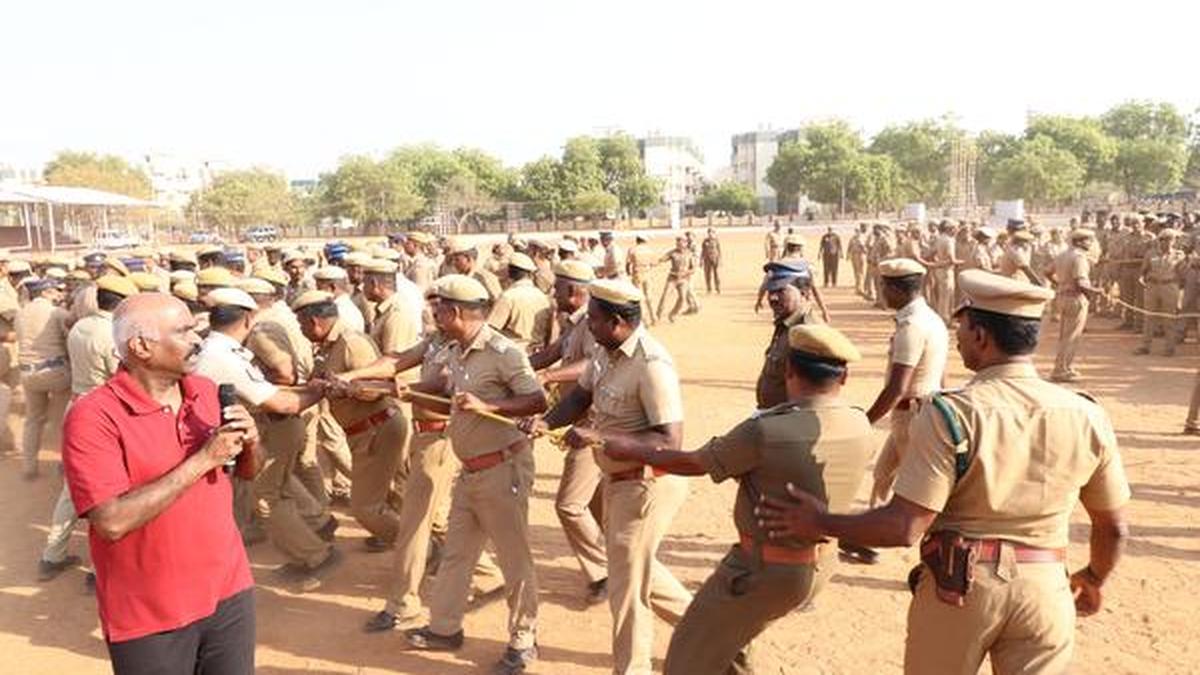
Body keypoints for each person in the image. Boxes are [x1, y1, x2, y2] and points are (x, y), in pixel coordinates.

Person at [757, 269, 1131, 675]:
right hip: (1047, 588)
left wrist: (820, 520)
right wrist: (1094, 577)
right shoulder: (1088, 413)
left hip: (962, 590)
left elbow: (903, 527)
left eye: (965, 327)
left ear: (982, 337)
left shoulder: (952, 414)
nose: (958, 336)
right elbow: (1113, 528)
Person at [603, 324, 873, 674]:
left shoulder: (767, 431)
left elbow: (694, 462)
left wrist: (630, 448)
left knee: (687, 655)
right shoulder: (859, 422)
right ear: (845, 377)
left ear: (789, 370)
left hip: (761, 570)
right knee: (732, 645)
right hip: (819, 565)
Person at [61, 293, 260, 674]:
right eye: (184, 331)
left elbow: (248, 472)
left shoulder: (204, 391)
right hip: (150, 612)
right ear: (140, 346)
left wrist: (251, 442)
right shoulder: (93, 416)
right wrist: (203, 459)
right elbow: (112, 521)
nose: (197, 339)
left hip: (228, 591)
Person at [524, 278, 693, 675]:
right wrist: (544, 421)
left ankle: (632, 669)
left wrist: (598, 435)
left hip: (647, 482)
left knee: (627, 588)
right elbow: (580, 398)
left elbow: (670, 440)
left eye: (595, 321)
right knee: (637, 572)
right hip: (616, 482)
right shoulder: (604, 353)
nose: (588, 328)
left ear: (618, 322)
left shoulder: (652, 364)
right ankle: (714, 630)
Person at [404, 275, 546, 675]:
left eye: (439, 308)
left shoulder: (504, 352)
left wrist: (490, 405)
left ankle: (523, 639)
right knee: (457, 553)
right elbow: (446, 386)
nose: (434, 312)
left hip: (503, 469)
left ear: (456, 312)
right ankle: (444, 627)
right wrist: (406, 390)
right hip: (470, 472)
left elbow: (535, 400)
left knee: (515, 558)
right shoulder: (455, 349)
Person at [193, 288, 337, 591]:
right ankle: (314, 538)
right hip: (270, 422)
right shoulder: (225, 355)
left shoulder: (215, 351)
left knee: (267, 497)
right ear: (247, 319)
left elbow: (279, 397)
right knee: (275, 491)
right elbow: (279, 400)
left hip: (273, 425)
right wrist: (318, 391)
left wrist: (311, 390)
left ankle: (313, 554)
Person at [38, 274, 138, 583]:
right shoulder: (112, 334)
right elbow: (123, 376)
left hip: (78, 404)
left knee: (73, 490)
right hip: (104, 412)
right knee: (112, 492)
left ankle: (52, 554)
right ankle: (99, 569)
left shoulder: (80, 325)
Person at [295, 291, 407, 552]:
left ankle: (423, 550)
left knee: (365, 508)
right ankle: (412, 540)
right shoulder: (329, 345)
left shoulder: (351, 342)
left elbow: (379, 386)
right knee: (392, 497)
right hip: (364, 431)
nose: (301, 331)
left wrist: (344, 388)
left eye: (302, 325)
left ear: (314, 322)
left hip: (377, 428)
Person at [528, 260, 609, 602]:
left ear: (575, 292)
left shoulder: (593, 325)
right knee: (598, 506)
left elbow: (591, 365)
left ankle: (604, 573)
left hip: (593, 426)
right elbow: (553, 353)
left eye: (558, 287)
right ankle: (619, 561)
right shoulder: (576, 323)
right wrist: (516, 366)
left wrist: (547, 377)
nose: (553, 292)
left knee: (570, 505)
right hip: (581, 422)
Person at [864, 259, 948, 512]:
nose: (882, 291)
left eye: (884, 286)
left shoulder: (912, 327)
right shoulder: (932, 318)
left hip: (910, 414)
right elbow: (940, 373)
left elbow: (897, 387)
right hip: (920, 410)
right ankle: (870, 537)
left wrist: (865, 421)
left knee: (917, 489)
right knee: (882, 473)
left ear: (897, 289)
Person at [16, 277, 71, 480]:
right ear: (46, 292)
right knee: (62, 421)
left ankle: (29, 466)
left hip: (28, 372)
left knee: (33, 420)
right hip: (55, 371)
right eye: (55, 290)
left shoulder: (21, 312)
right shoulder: (56, 312)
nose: (58, 293)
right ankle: (64, 464)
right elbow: (69, 339)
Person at [755, 260, 822, 410]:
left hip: (789, 421)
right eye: (771, 291)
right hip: (772, 416)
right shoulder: (786, 323)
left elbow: (815, 394)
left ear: (804, 292)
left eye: (781, 291)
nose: (773, 298)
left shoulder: (808, 332)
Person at [1046, 230, 1101, 382]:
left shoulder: (1063, 255)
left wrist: (1060, 284)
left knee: (1065, 335)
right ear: (1080, 242)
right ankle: (1061, 370)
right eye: (1089, 240)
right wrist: (1096, 291)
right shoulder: (1079, 258)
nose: (1091, 243)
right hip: (1075, 298)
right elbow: (1081, 282)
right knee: (1071, 337)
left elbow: (1047, 272)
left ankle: (1063, 367)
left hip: (1063, 297)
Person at [487, 252, 553, 351]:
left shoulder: (508, 297)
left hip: (513, 352)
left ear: (509, 271)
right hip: (538, 352)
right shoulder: (543, 297)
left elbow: (491, 328)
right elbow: (549, 329)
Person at [1134, 229, 1185, 356]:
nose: (1167, 242)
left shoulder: (1179, 255)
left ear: (1174, 241)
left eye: (1170, 239)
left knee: (1169, 318)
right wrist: (1145, 280)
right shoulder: (1150, 254)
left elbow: (1183, 274)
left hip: (1170, 286)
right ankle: (1145, 346)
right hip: (1153, 286)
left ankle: (1169, 348)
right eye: (1163, 239)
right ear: (1159, 240)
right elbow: (1144, 270)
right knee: (1149, 317)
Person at [657, 236, 700, 321]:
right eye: (677, 243)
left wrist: (685, 273)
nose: (679, 244)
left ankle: (673, 314)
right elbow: (662, 259)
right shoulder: (672, 253)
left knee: (682, 299)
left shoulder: (690, 254)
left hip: (684, 280)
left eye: (681, 243)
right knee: (665, 296)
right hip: (672, 278)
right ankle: (659, 314)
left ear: (686, 243)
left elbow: (693, 269)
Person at [625, 235, 659, 325]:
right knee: (649, 296)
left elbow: (628, 264)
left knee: (639, 297)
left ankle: (644, 319)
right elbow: (654, 263)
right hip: (647, 273)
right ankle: (653, 317)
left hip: (637, 273)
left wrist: (629, 273)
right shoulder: (649, 250)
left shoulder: (632, 250)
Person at [847, 223, 869, 297]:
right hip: (856, 255)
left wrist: (866, 252)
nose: (857, 232)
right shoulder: (854, 238)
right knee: (857, 272)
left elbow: (864, 247)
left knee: (860, 272)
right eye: (856, 231)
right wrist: (848, 255)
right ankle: (858, 288)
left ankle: (860, 288)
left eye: (858, 231)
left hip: (860, 255)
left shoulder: (862, 237)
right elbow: (849, 246)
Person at [700, 227, 722, 294]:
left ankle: (718, 288)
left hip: (715, 259)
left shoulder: (716, 241)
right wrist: (701, 260)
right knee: (707, 275)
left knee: (716, 275)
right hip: (707, 260)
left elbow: (719, 251)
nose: (710, 234)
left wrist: (720, 260)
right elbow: (703, 251)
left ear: (714, 233)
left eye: (712, 232)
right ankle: (709, 289)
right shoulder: (705, 241)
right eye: (709, 232)